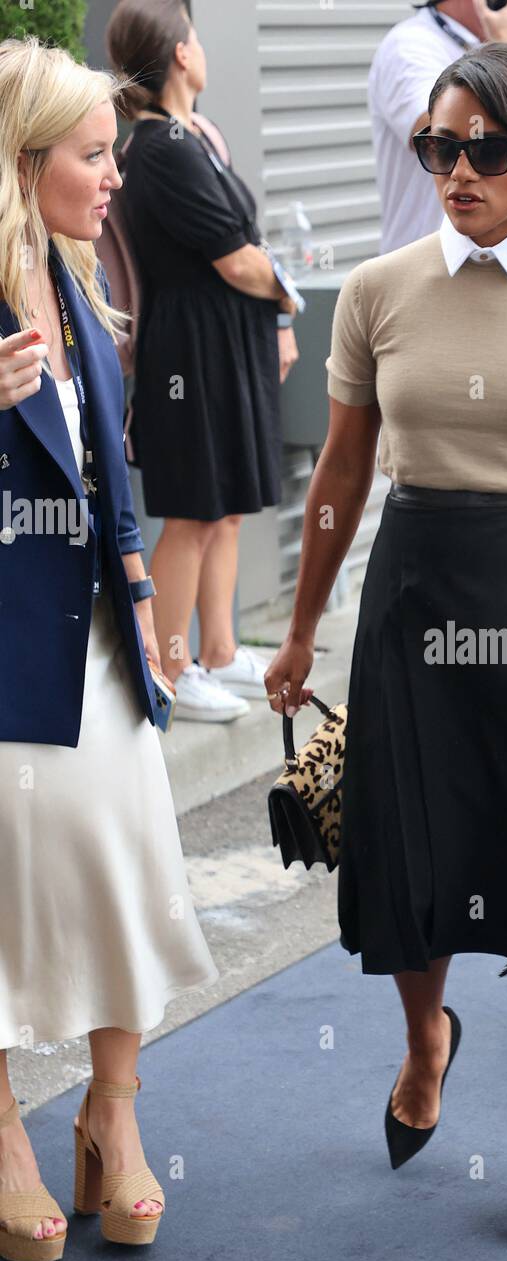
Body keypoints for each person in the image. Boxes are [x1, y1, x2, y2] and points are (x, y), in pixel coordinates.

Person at [264, 43, 507, 1260]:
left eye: (482, 150)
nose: (455, 171)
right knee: (410, 851)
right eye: (435, 148)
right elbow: (339, 475)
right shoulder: (383, 288)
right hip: (416, 583)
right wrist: (295, 629)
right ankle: (425, 1041)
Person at [0, 36, 219, 1261]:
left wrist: (144, 606)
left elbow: (112, 469)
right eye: (93, 156)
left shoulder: (76, 279)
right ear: (24, 164)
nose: (115, 177)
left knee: (127, 870)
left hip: (97, 640)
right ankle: (6, 1141)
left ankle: (111, 1119)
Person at [105, 0, 300, 722]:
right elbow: (238, 260)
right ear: (182, 54)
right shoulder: (163, 149)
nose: (201, 45)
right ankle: (173, 667)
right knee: (192, 511)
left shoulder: (189, 138)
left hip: (220, 345)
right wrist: (289, 300)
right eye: (194, 34)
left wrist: (275, 311)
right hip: (190, 351)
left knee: (225, 508)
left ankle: (217, 650)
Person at [369, 0, 507, 252]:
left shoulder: (501, 42)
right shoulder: (410, 44)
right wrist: (506, 53)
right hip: (426, 268)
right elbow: (447, 134)